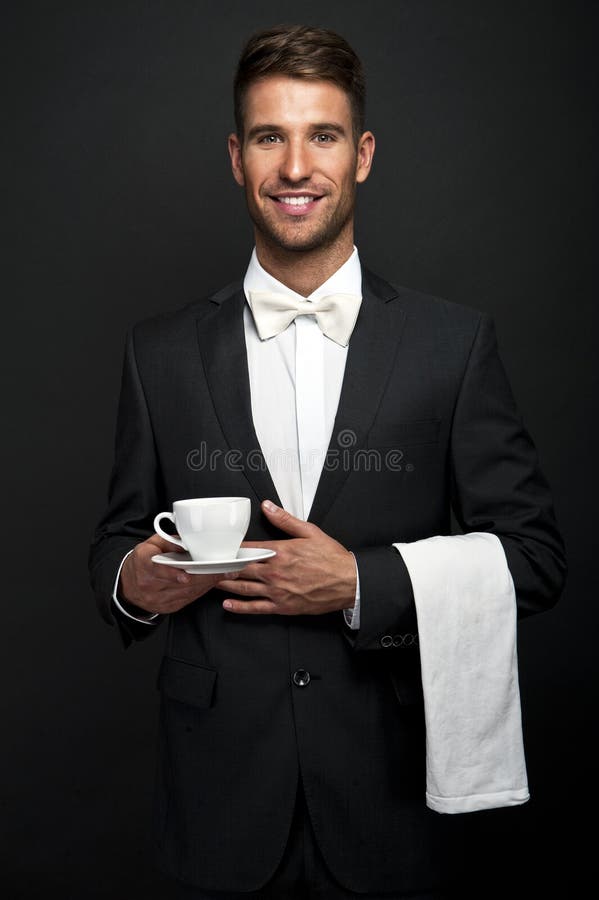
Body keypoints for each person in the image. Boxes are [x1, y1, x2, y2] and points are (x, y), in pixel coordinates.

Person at [89, 24, 566, 900]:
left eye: (324, 135)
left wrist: (358, 583)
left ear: (363, 155)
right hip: (218, 792)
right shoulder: (156, 352)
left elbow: (533, 560)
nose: (296, 166)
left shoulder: (451, 345)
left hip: (392, 784)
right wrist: (134, 579)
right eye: (270, 136)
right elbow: (117, 538)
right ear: (237, 157)